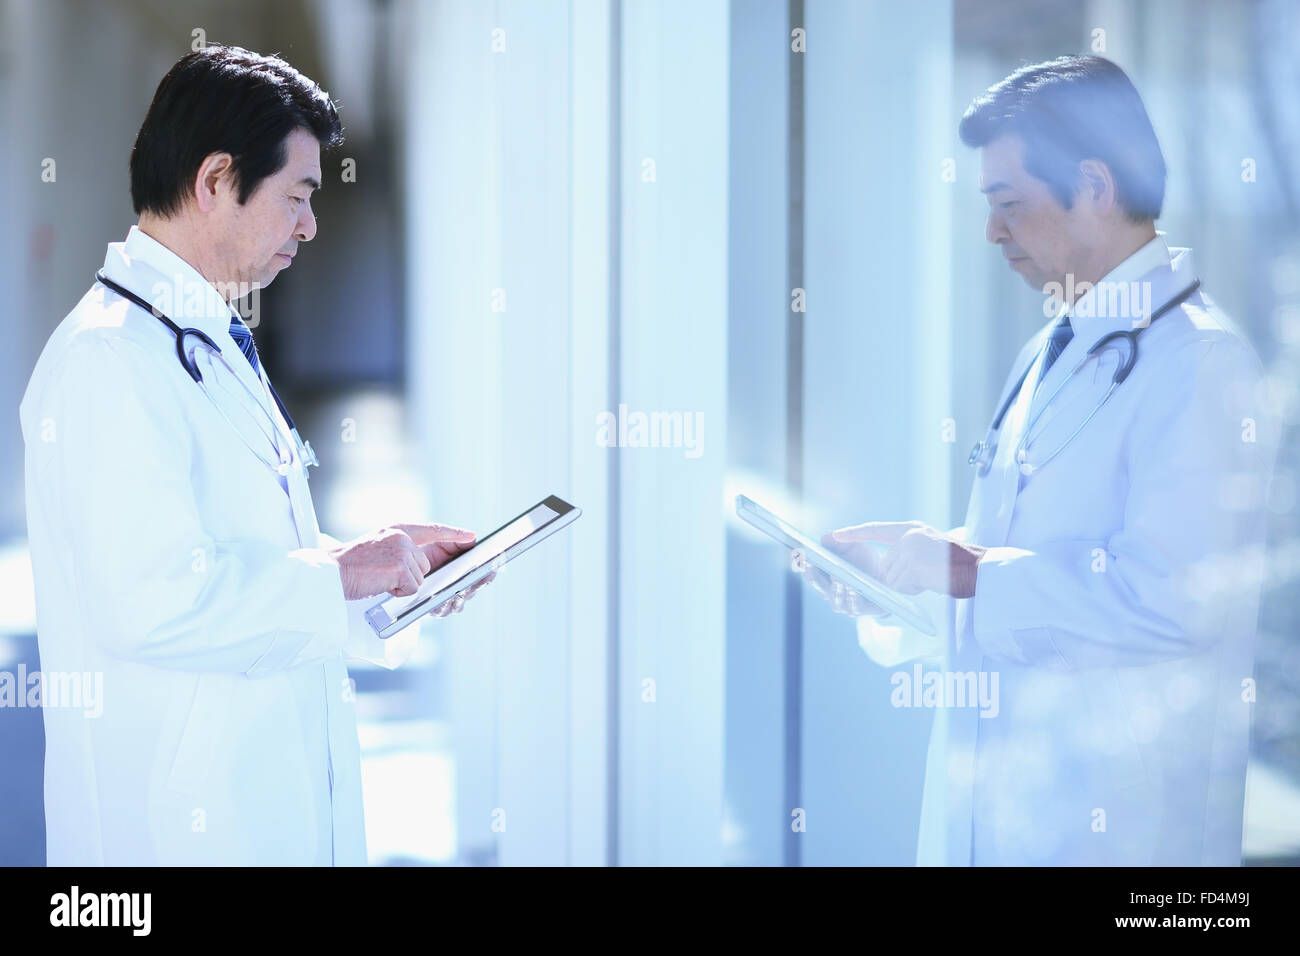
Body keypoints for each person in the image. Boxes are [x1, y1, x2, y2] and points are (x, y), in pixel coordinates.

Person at [799, 55, 1279, 865]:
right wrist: (902, 583)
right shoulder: (1056, 347)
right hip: (1005, 813)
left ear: (1093, 186)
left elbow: (1172, 603)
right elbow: (1023, 580)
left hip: (1120, 833)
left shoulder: (1201, 364)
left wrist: (963, 570)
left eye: (1008, 204)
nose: (991, 231)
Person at [19, 45, 489, 865]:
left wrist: (386, 573)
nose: (310, 222)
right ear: (214, 182)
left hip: (259, 802)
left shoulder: (203, 341)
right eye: (297, 196)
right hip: (175, 835)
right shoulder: (106, 361)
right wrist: (341, 573)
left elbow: (247, 566)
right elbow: (152, 599)